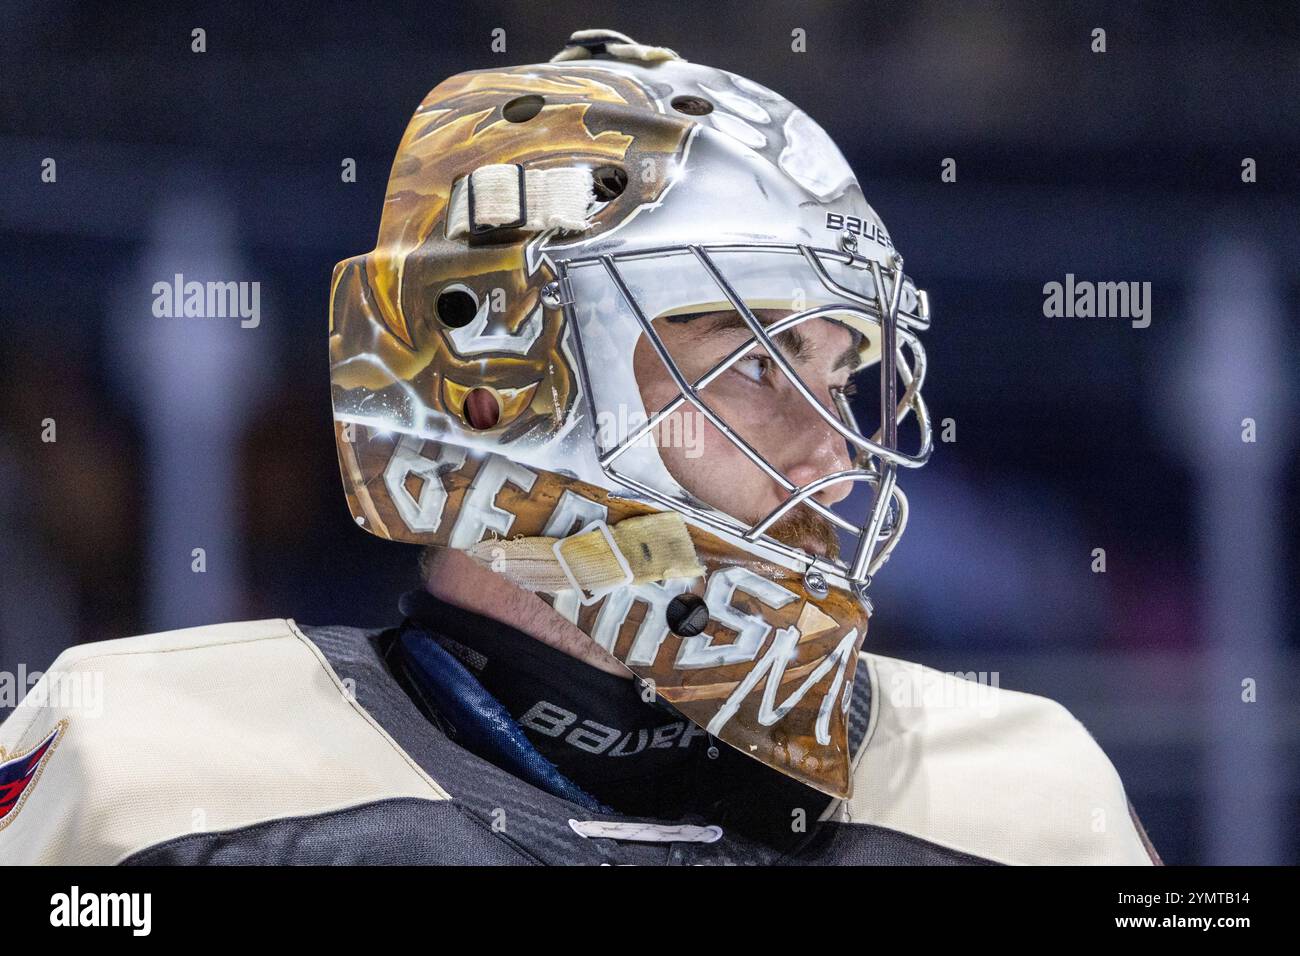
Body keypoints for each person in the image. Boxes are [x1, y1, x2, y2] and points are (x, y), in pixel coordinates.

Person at [0, 29, 1160, 865]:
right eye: (753, 364)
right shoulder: (157, 782)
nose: (833, 458)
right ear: (495, 381)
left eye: (839, 373)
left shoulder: (1020, 801)